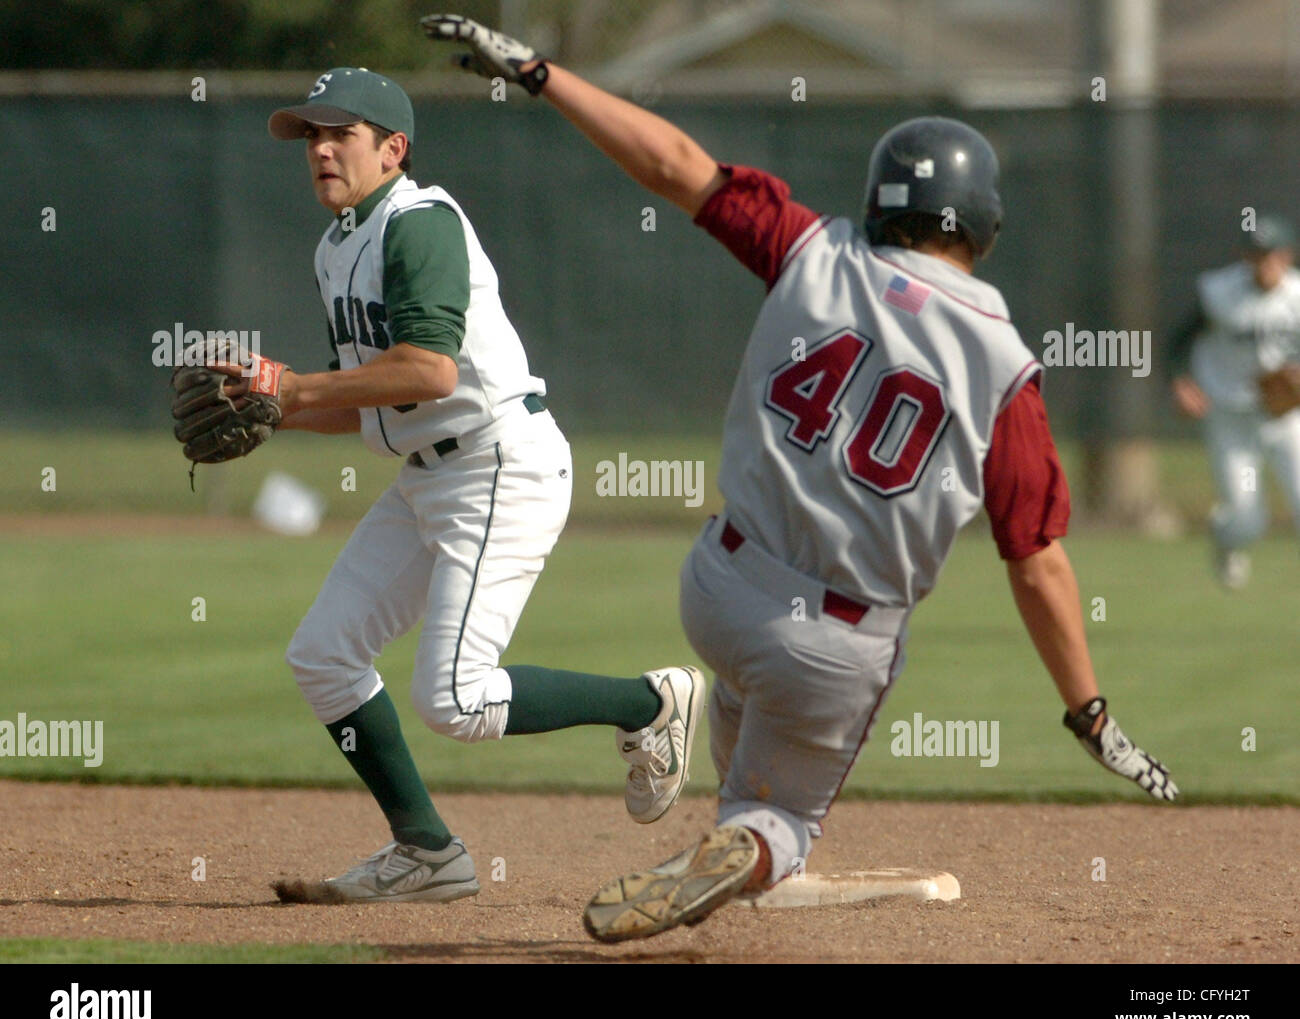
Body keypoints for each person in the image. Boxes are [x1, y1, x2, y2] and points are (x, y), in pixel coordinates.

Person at [421, 15, 1181, 942]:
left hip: (719, 584)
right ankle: (757, 844)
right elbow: (1037, 561)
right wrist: (1088, 712)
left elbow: (671, 162)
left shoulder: (810, 249)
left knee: (746, 691)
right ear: (983, 223)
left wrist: (543, 75)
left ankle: (741, 837)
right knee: (782, 814)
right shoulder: (1003, 363)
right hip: (834, 642)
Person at [217, 67, 703, 903]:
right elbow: (376, 391)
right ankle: (427, 852)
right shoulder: (338, 245)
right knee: (323, 657)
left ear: (392, 148)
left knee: (454, 698)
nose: (320, 148)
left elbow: (432, 371)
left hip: (496, 464)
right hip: (426, 475)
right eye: (310, 135)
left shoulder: (418, 224)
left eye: (340, 133)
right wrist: (277, 414)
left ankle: (651, 702)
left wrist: (293, 387)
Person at [1169, 215, 1300, 589]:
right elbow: (1178, 342)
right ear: (1244, 257)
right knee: (1247, 520)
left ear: (1287, 256)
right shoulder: (1220, 291)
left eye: (1272, 255)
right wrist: (1180, 382)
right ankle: (1226, 540)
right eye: (1256, 255)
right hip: (1232, 416)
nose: (1264, 264)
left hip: (1285, 417)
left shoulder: (1297, 296)